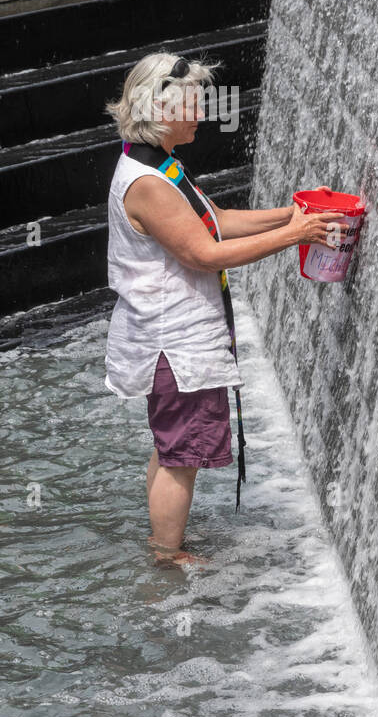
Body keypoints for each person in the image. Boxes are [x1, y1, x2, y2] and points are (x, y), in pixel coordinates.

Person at [104, 52, 343, 563]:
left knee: (172, 449)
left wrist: (291, 215)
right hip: (175, 344)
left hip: (170, 339)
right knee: (180, 457)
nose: (201, 115)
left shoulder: (156, 162)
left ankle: (161, 541)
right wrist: (294, 235)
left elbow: (216, 219)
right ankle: (168, 555)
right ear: (160, 109)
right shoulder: (147, 184)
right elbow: (203, 253)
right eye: (192, 105)